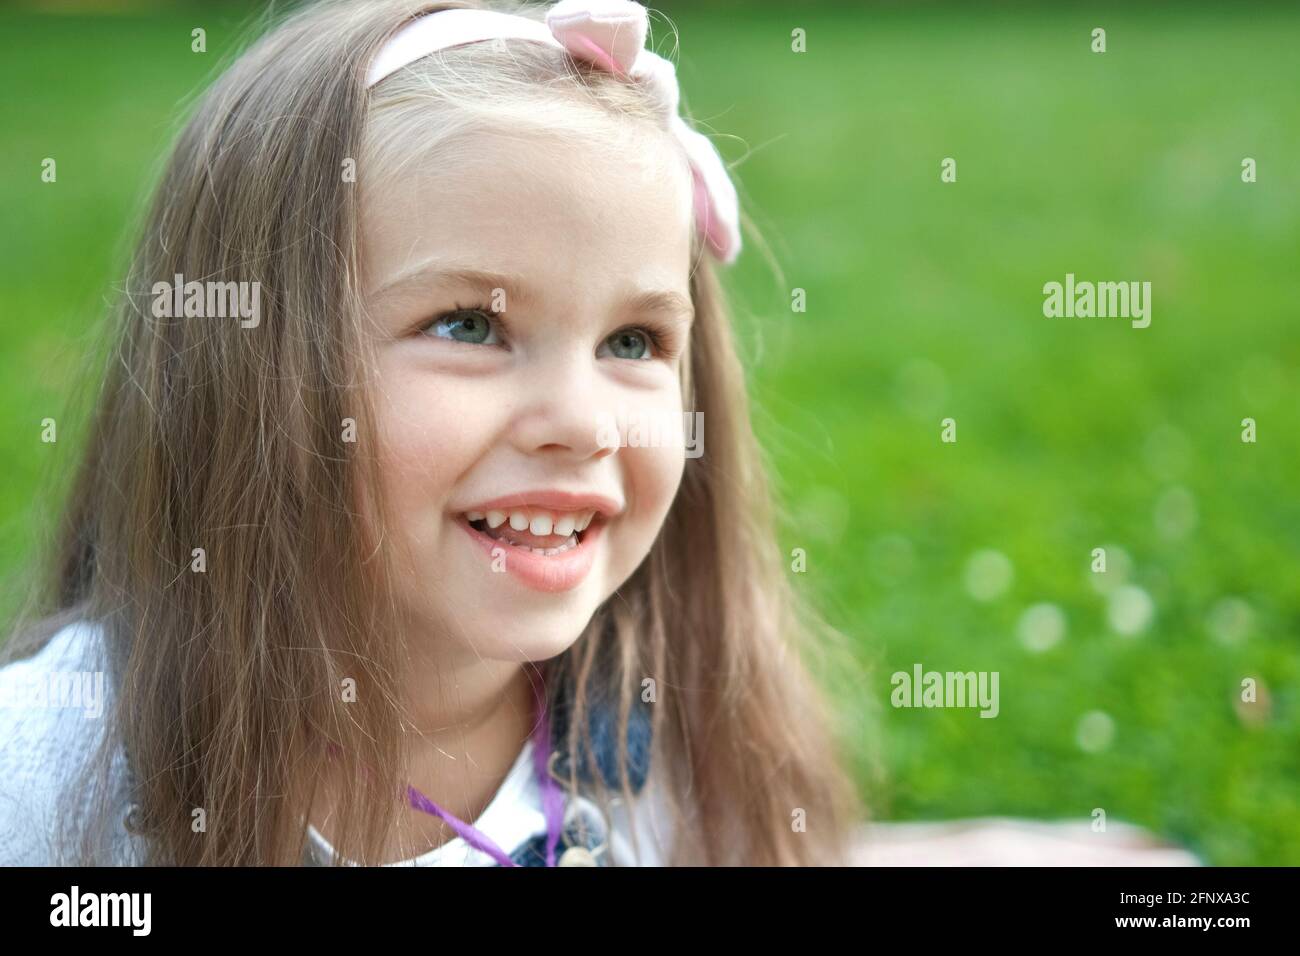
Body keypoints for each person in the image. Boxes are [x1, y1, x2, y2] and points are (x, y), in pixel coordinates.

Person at [0, 0, 862, 866]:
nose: (582, 423)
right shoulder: (43, 778)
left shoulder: (685, 763)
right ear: (247, 369)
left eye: (631, 342)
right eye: (468, 327)